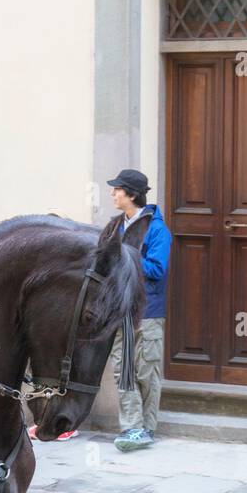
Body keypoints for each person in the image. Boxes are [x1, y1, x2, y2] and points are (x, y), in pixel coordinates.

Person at [105, 168, 172, 452]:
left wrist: (122, 258)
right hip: (122, 310)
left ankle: (147, 428)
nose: (112, 193)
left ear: (131, 194)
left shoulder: (157, 229)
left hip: (148, 311)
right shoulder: (113, 226)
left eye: (117, 189)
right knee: (124, 371)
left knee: (146, 372)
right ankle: (131, 427)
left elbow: (157, 269)